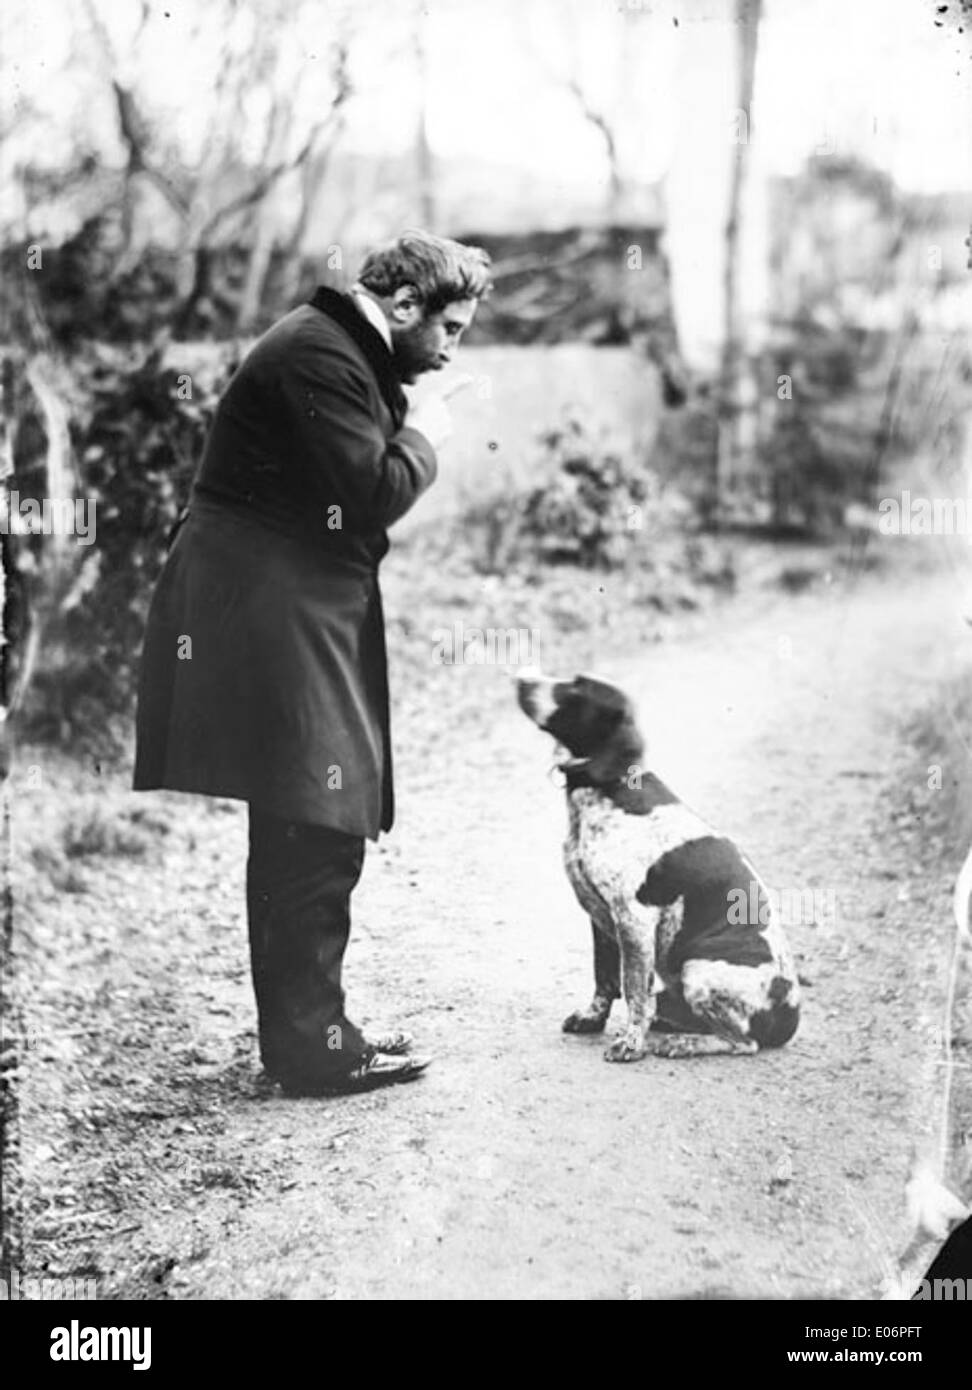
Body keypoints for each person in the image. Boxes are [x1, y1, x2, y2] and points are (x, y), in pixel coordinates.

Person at [134, 230, 492, 1095]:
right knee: (314, 816)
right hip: (267, 608)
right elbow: (368, 494)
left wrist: (405, 419)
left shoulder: (335, 348)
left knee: (311, 816)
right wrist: (427, 435)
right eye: (450, 328)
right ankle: (313, 1050)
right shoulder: (319, 356)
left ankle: (310, 1036)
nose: (450, 349)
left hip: (283, 602)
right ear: (403, 306)